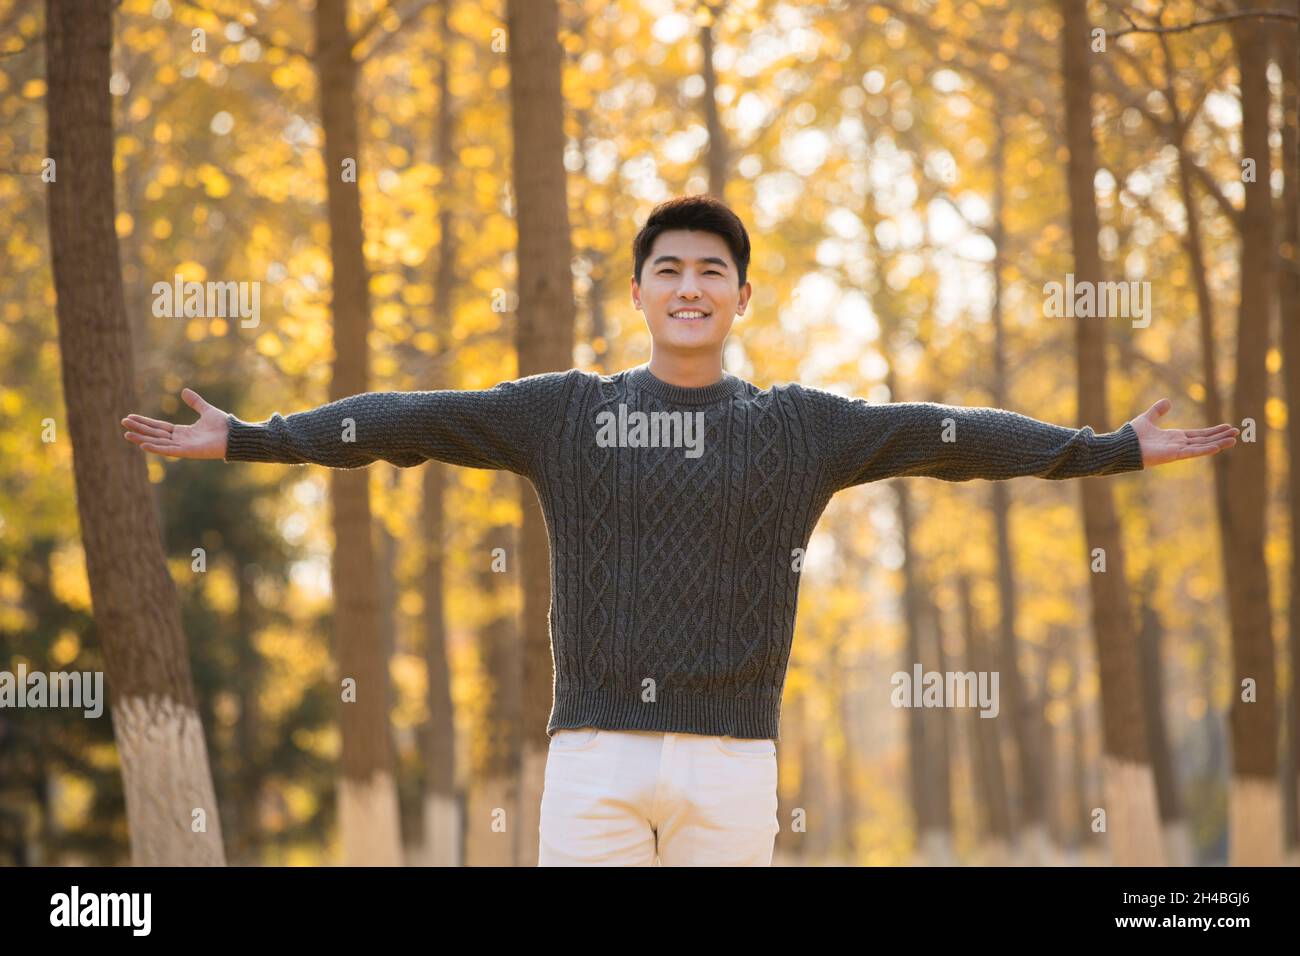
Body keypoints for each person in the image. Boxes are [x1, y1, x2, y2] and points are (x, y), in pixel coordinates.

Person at [122, 194, 1238, 866]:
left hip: (735, 764)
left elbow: (946, 433)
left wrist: (1107, 448)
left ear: (741, 297)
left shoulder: (800, 427)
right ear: (641, 293)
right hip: (590, 758)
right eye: (670, 269)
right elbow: (410, 418)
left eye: (712, 270)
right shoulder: (565, 411)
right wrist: (258, 437)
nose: (690, 285)